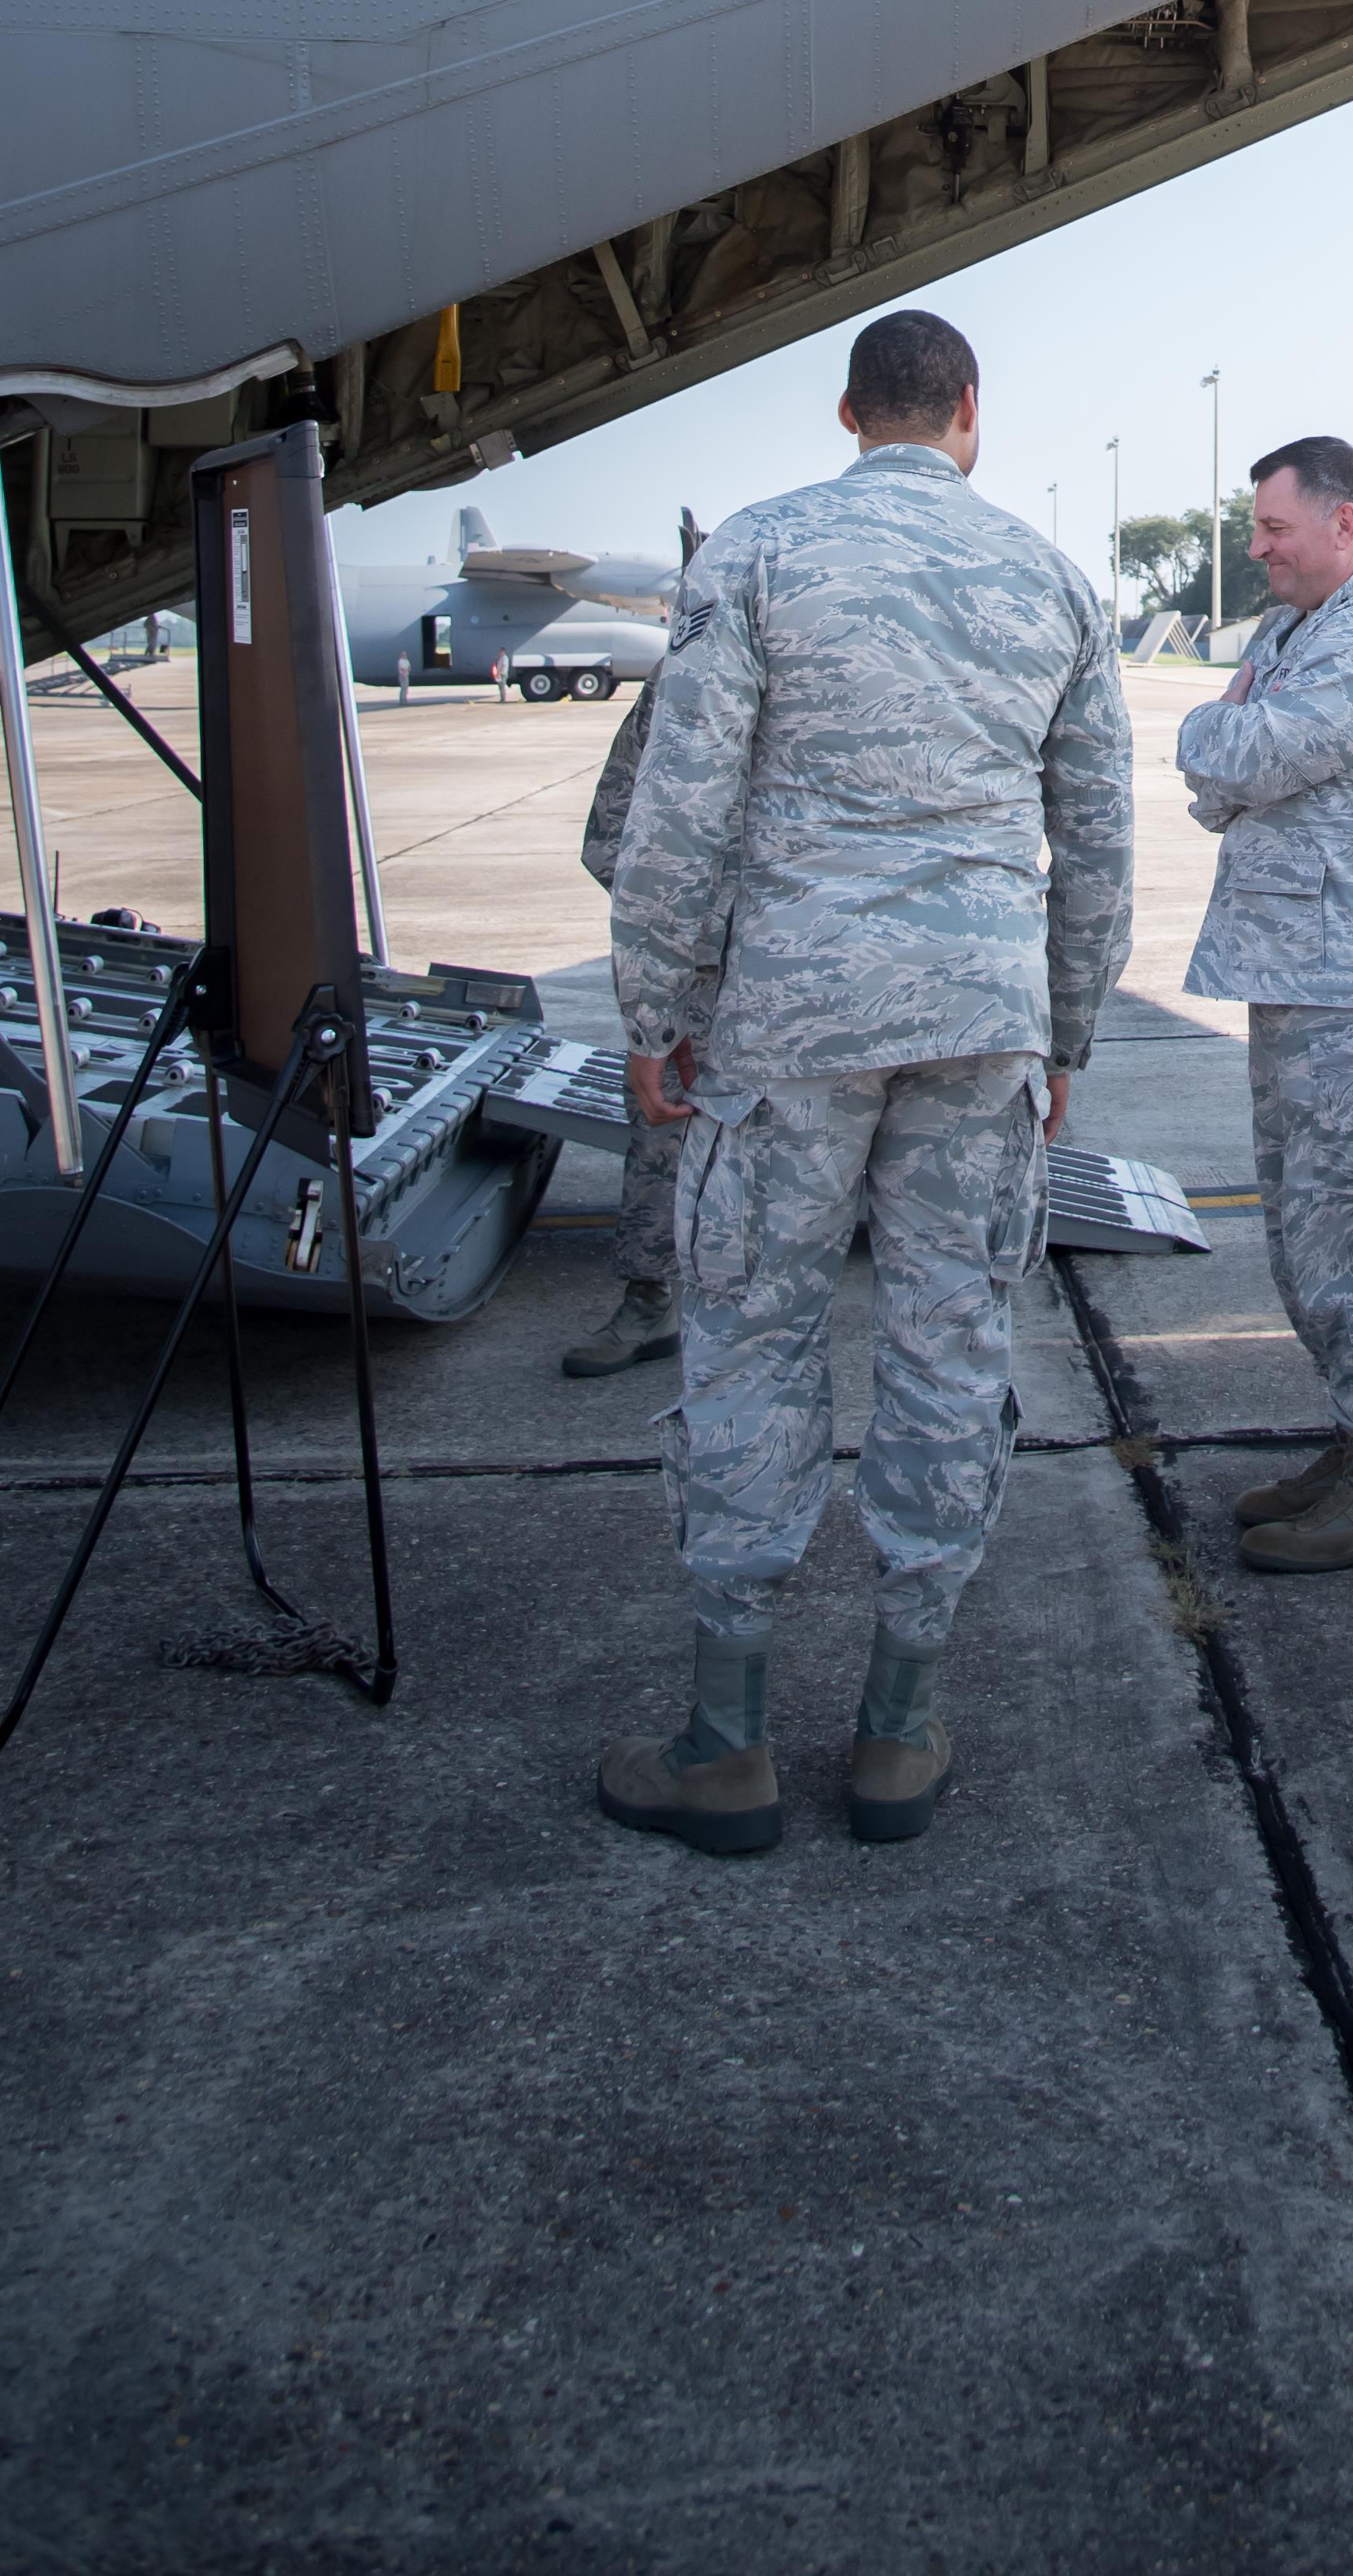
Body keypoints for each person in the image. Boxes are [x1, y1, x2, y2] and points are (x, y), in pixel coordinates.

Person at [595, 310, 1133, 1856]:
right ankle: (898, 1727)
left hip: (791, 1024)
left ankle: (728, 1737)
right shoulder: (1052, 582)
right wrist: (1069, 1031)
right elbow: (1094, 835)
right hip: (979, 1022)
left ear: (849, 411)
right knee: (948, 1335)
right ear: (971, 409)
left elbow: (680, 808)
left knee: (750, 1337)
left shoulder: (756, 555)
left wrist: (658, 1004)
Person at [1176, 439, 1353, 1577]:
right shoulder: (1297, 629)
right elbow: (1220, 791)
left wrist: (1207, 729)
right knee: (1306, 1238)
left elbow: (1256, 750)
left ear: (1345, 525)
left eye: (1273, 530)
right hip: (1304, 974)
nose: (1257, 550)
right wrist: (1223, 747)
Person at [560, 673, 685, 1375]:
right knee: (663, 1122)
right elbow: (612, 832)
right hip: (701, 953)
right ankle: (651, 1298)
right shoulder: (690, 673)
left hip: (817, 967)